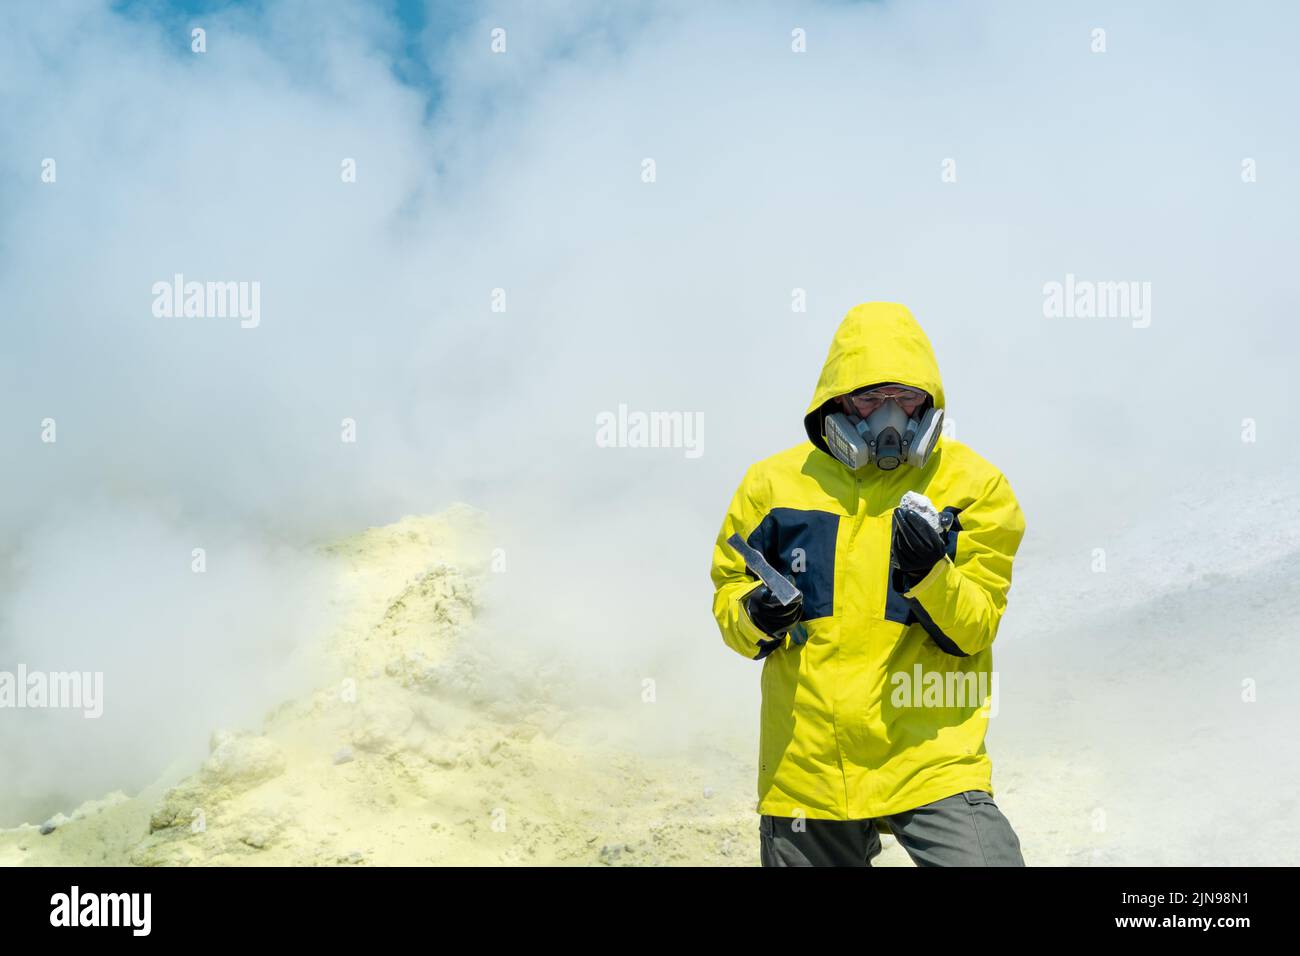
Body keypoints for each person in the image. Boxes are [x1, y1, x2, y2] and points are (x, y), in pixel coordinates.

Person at [709, 301, 1027, 867]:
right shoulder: (770, 486)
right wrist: (755, 614)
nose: (888, 416)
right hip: (807, 772)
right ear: (836, 400)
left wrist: (932, 575)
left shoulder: (975, 486)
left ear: (929, 403)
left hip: (931, 761)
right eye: (868, 397)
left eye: (905, 398)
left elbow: (975, 628)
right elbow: (731, 606)